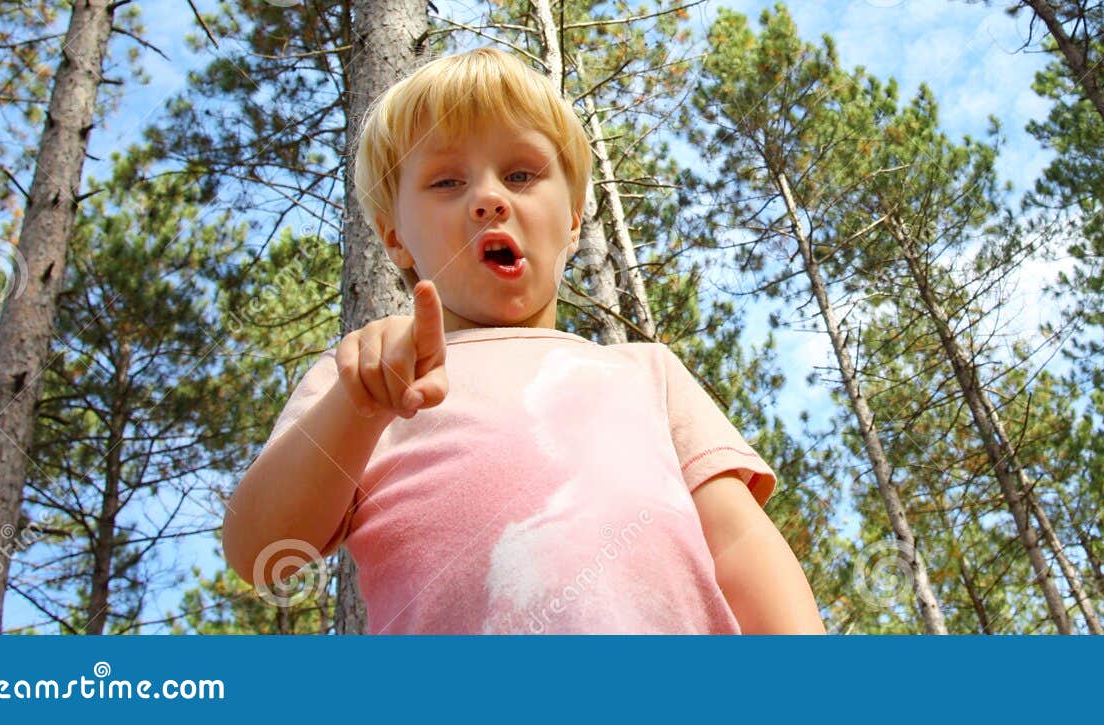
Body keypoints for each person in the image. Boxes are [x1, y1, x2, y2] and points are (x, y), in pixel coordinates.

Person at [221, 46, 825, 634]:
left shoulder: (647, 373)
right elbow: (261, 552)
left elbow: (739, 542)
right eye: (446, 181)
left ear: (573, 219)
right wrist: (358, 408)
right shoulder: (368, 375)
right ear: (395, 237)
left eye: (519, 174)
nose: (489, 198)